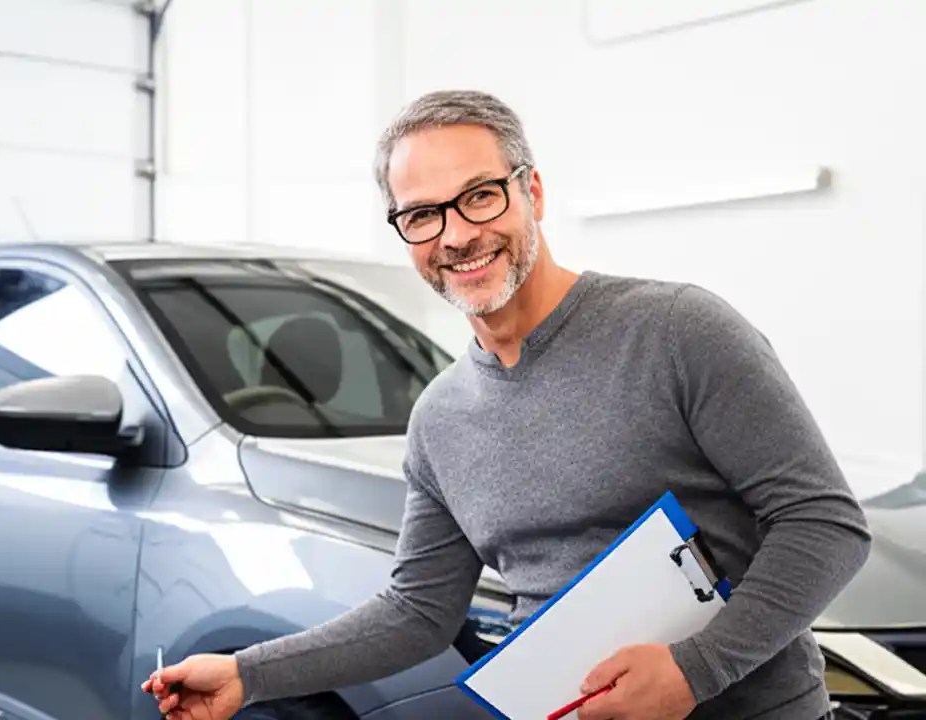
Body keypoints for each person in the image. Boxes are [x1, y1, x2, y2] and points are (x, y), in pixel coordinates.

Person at [141, 89, 871, 720]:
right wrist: (248, 674)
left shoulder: (677, 330)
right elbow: (418, 612)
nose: (457, 234)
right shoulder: (439, 421)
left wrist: (696, 669)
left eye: (480, 195)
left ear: (534, 193)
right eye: (422, 215)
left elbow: (825, 524)